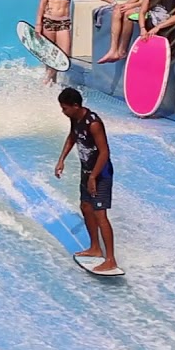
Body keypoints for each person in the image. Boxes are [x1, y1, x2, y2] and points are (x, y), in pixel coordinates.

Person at [54, 87, 118, 273]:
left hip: (101, 174)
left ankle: (111, 259)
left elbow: (105, 152)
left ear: (75, 106)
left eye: (65, 108)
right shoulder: (75, 119)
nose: (63, 111)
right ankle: (95, 248)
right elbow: (72, 138)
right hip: (87, 171)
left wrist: (93, 177)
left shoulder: (94, 123)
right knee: (85, 207)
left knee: (100, 214)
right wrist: (61, 160)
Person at [35, 0, 115, 83]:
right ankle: (51, 83)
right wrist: (38, 24)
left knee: (64, 54)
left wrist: (112, 2)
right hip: (48, 20)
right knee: (49, 56)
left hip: (63, 22)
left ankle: (47, 79)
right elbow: (43, 2)